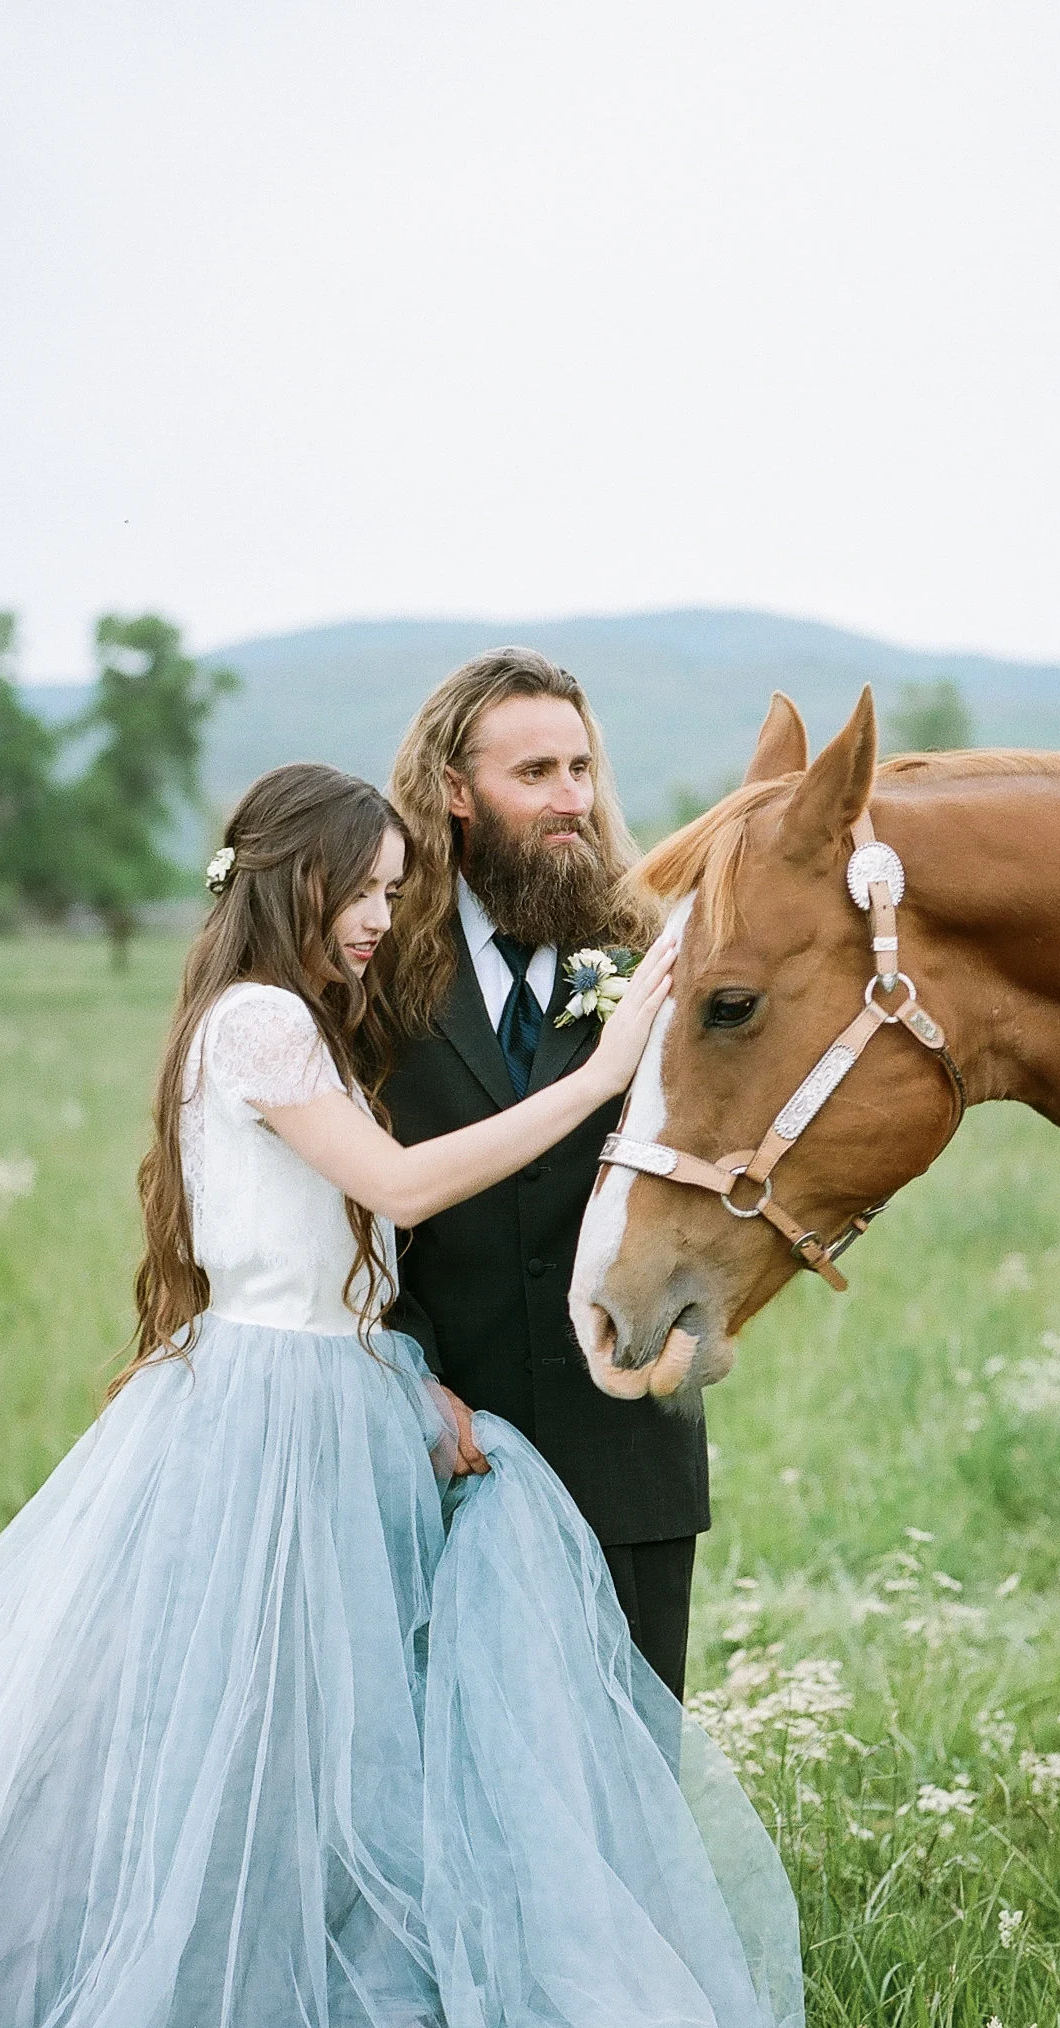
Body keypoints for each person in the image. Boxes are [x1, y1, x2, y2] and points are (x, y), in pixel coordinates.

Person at [0, 765, 802, 2028]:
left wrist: (402, 1376)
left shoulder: (296, 1023)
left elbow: (328, 1249)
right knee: (260, 1778)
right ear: (286, 877)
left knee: (343, 1784)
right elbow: (408, 1191)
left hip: (338, 1404)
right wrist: (615, 1065)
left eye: (395, 883)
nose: (380, 909)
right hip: (268, 1439)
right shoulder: (265, 1026)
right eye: (360, 882)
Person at [381, 650, 706, 1701]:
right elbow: (338, 1206)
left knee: (632, 1769)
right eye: (534, 775)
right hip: (438, 1443)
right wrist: (407, 1378)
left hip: (628, 1443)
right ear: (451, 791)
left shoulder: (656, 947)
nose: (571, 800)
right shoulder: (371, 966)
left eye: (580, 769)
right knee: (442, 1770)